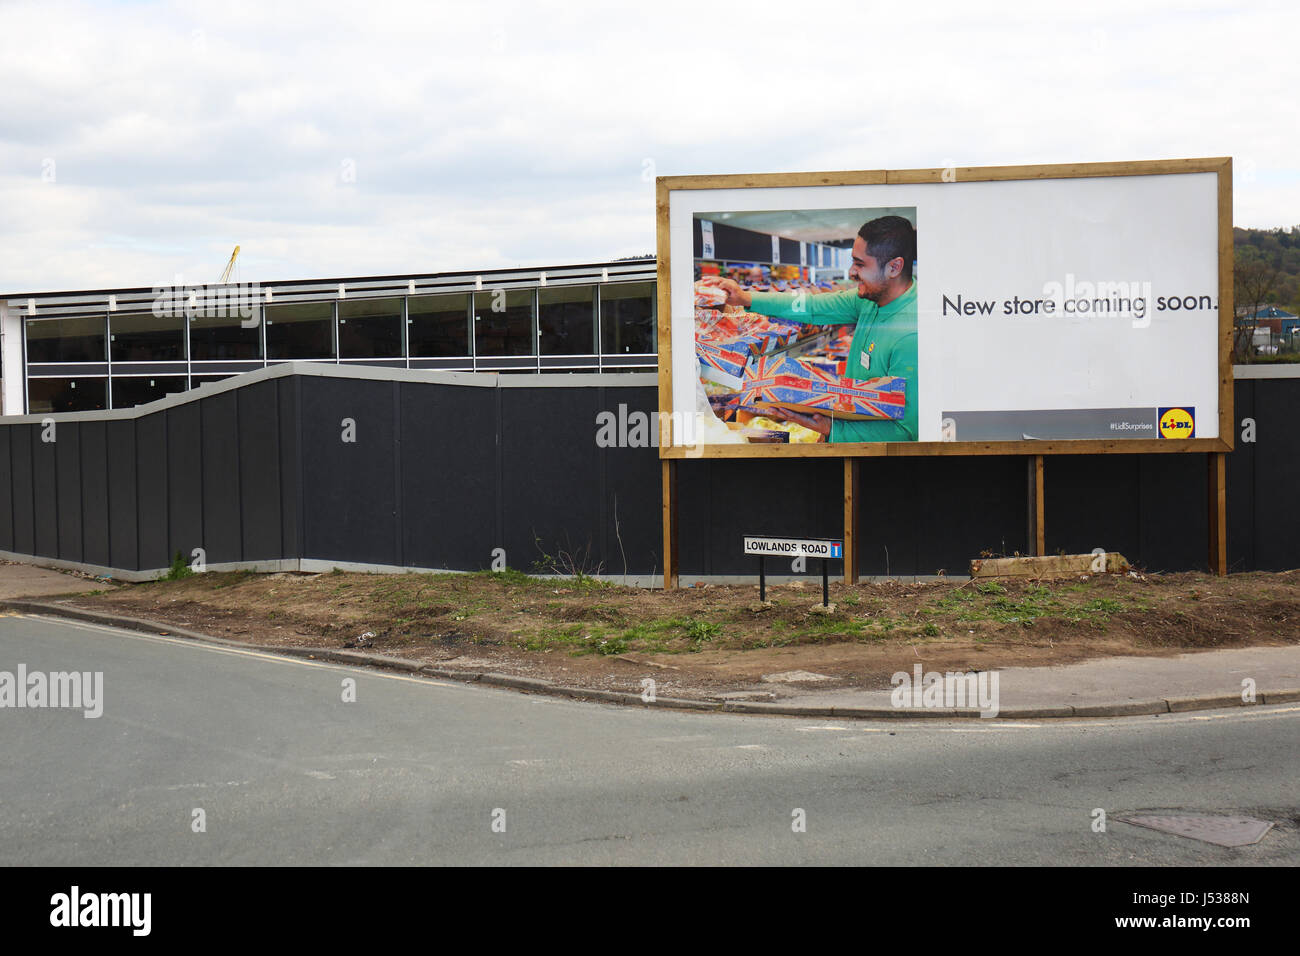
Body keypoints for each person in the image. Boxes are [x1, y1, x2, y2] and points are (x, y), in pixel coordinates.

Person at [716, 215, 917, 442]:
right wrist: (745, 298)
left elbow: (907, 432)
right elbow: (810, 306)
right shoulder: (869, 300)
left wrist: (833, 429)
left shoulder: (911, 335)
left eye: (860, 264)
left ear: (894, 267)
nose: (851, 272)